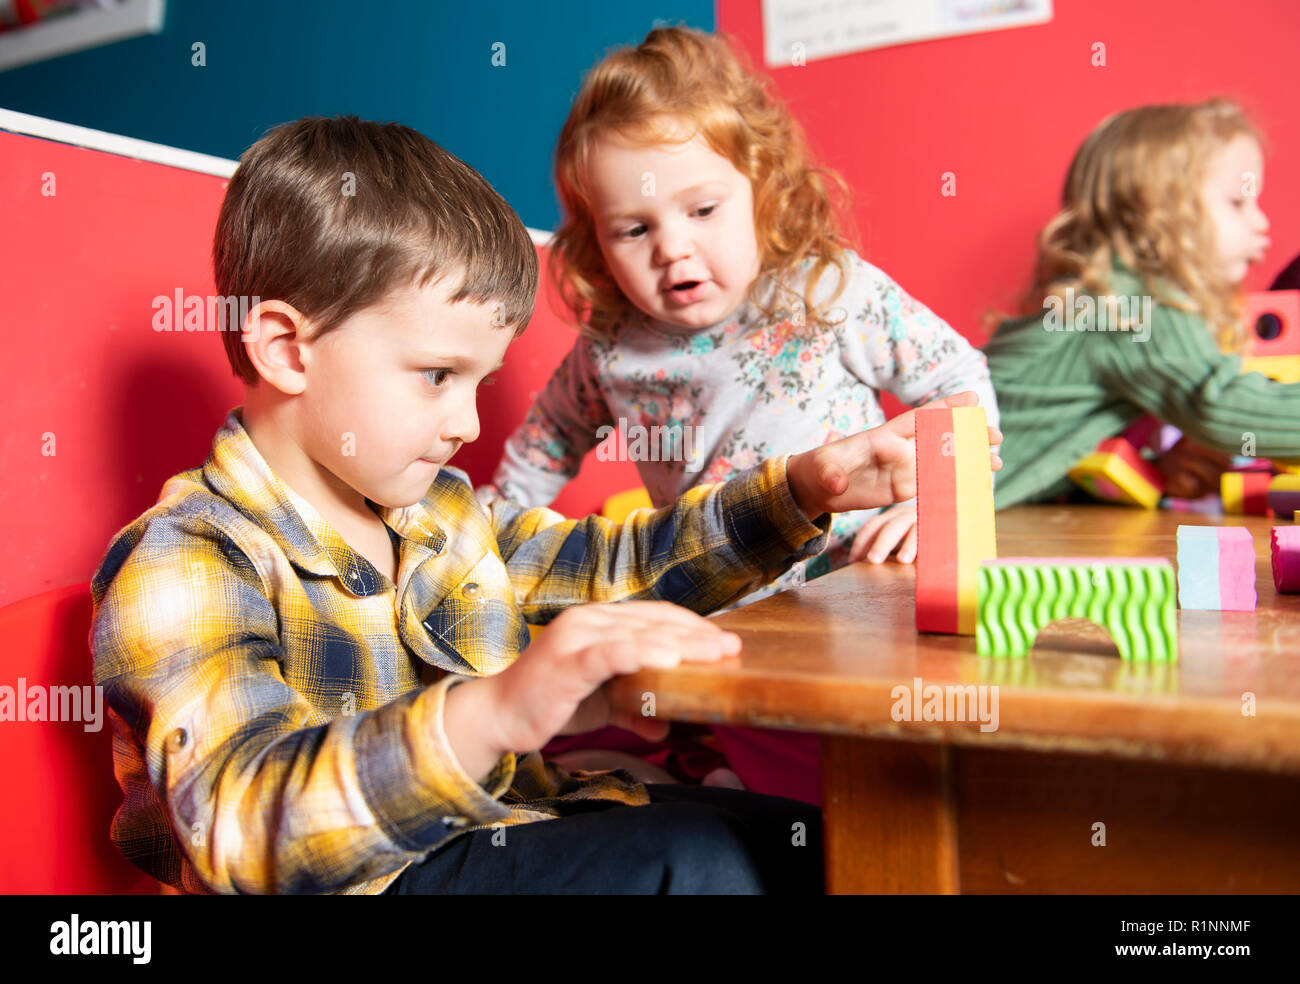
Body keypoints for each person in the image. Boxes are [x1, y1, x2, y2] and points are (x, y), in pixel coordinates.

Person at [88, 115, 1000, 894]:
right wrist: (495, 711)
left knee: (820, 840)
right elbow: (241, 825)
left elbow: (623, 568)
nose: (466, 423)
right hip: (368, 881)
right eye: (438, 376)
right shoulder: (187, 557)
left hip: (504, 823)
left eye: (477, 380)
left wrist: (808, 487)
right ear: (288, 348)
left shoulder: (444, 516)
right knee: (699, 866)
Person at [481, 26, 998, 803]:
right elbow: (543, 442)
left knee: (874, 751)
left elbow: (958, 379)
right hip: (717, 592)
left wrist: (937, 503)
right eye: (635, 229)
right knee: (682, 704)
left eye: (703, 209)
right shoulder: (612, 347)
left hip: (854, 583)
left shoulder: (825, 291)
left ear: (761, 186)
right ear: (596, 240)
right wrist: (480, 544)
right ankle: (724, 778)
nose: (674, 250)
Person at [984, 98, 1300, 509]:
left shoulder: (1115, 298)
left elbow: (1059, 442)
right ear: (1158, 213)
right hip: (921, 513)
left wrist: (1155, 466)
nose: (1261, 222)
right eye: (1237, 203)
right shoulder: (1137, 305)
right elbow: (1219, 406)